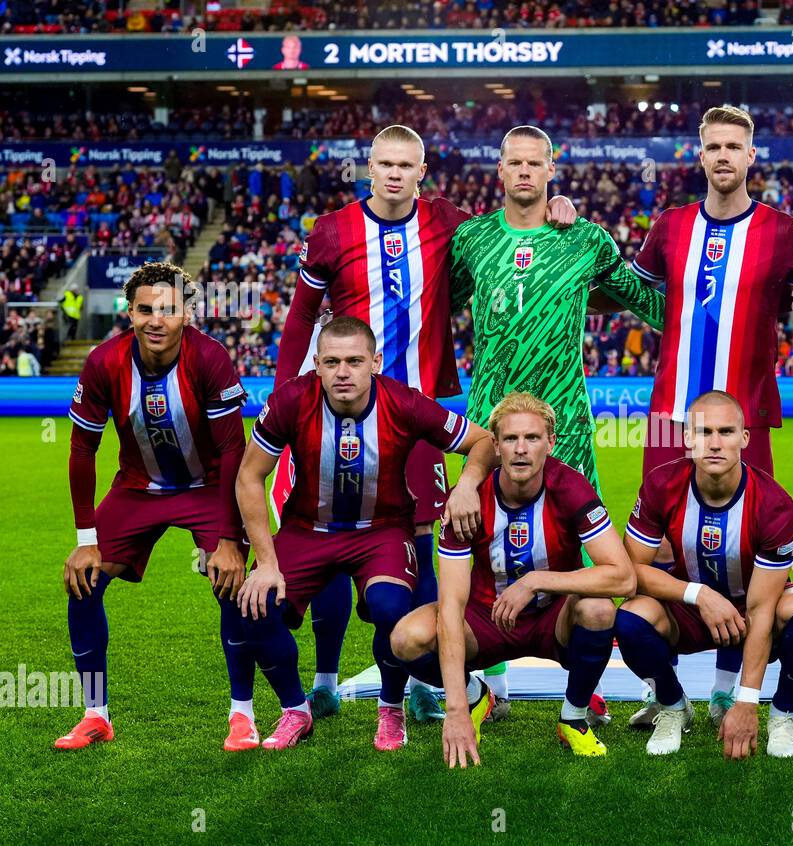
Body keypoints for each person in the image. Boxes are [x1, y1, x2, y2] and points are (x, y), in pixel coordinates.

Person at [271, 124, 578, 724]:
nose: (392, 173)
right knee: (329, 530)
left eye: (404, 164)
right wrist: (291, 399)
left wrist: (555, 207)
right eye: (383, 163)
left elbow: (514, 218)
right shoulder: (331, 230)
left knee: (425, 539)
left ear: (421, 171)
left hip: (419, 416)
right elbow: (301, 315)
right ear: (368, 167)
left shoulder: (447, 222)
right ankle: (326, 677)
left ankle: (421, 680)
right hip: (336, 411)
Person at [607, 104, 793, 727]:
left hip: (749, 415)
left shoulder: (784, 232)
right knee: (657, 549)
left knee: (743, 547)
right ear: (700, 154)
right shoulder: (669, 227)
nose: (724, 156)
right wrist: (566, 232)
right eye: (714, 146)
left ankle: (725, 687)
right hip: (668, 415)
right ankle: (667, 694)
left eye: (735, 146)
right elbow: (623, 293)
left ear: (751, 156)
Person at [448, 124, 665, 717]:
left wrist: (717, 302)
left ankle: (582, 684)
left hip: (565, 416)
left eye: (533, 164)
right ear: (499, 171)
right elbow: (429, 301)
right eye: (512, 162)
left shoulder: (586, 239)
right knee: (480, 540)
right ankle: (490, 683)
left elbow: (643, 299)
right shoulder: (470, 239)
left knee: (578, 545)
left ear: (551, 170)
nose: (522, 172)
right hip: (488, 420)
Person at [235, 315, 493, 751]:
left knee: (391, 609)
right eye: (332, 361)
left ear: (374, 362)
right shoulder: (290, 401)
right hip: (308, 529)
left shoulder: (405, 402)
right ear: (316, 364)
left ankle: (391, 710)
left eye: (354, 361)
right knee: (255, 608)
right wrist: (265, 563)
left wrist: (466, 485)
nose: (342, 372)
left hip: (381, 531)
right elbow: (248, 476)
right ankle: (295, 710)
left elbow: (483, 441)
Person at [59, 262, 251, 750]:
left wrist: (229, 539)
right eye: (145, 309)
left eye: (167, 310)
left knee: (233, 585)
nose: (156, 320)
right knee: (83, 584)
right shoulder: (105, 361)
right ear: (130, 312)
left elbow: (233, 450)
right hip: (138, 488)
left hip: (208, 487)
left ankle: (242, 715)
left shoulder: (209, 357)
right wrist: (85, 541)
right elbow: (83, 450)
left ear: (186, 313)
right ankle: (96, 714)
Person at [389, 392, 636, 765]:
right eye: (510, 439)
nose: (522, 449)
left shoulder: (570, 487)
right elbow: (452, 606)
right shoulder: (466, 501)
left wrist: (537, 581)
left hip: (554, 619)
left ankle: (573, 718)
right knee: (407, 638)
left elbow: (623, 579)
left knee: (600, 609)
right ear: (496, 445)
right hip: (485, 619)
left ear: (550, 442)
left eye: (532, 438)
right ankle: (475, 696)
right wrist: (455, 709)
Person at [615, 391, 793, 759]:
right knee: (631, 618)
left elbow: (762, 608)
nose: (715, 443)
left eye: (727, 432)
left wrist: (746, 702)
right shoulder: (661, 484)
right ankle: (672, 704)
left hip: (751, 613)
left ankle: (783, 712)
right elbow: (629, 573)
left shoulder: (774, 504)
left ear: (745, 438)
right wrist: (699, 595)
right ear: (686, 438)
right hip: (691, 613)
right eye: (704, 432)